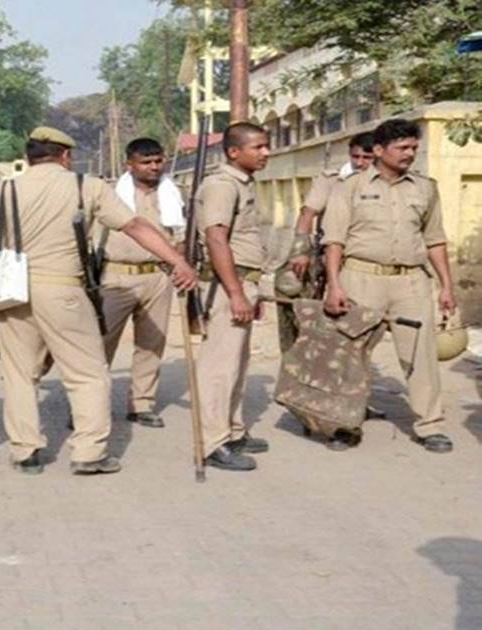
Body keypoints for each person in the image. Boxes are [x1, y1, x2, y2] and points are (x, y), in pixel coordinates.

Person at [0, 127, 197, 476]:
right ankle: (88, 452)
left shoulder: (4, 188)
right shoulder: (86, 186)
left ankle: (25, 451)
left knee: (20, 374)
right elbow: (134, 226)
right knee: (88, 373)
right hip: (64, 290)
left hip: (11, 292)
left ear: (29, 158)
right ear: (65, 156)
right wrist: (177, 261)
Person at [322, 118, 457, 454]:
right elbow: (334, 241)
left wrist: (446, 287)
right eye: (402, 148)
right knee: (352, 353)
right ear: (379, 150)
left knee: (420, 354)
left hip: (410, 280)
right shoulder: (348, 187)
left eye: (414, 147)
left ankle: (430, 425)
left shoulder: (425, 188)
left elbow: (435, 239)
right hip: (360, 277)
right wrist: (334, 285)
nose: (410, 154)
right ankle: (344, 423)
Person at [193, 122, 272, 472]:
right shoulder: (222, 185)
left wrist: (256, 292)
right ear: (233, 152)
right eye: (258, 147)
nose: (266, 153)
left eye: (266, 146)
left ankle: (232, 430)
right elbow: (216, 239)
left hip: (243, 281)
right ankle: (212, 443)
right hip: (228, 285)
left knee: (237, 363)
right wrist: (237, 293)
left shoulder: (243, 183)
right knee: (218, 368)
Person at [101, 137, 185, 429]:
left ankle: (141, 404)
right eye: (146, 162)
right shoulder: (109, 195)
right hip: (116, 277)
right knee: (101, 345)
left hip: (158, 276)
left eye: (158, 161)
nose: (153, 167)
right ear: (130, 164)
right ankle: (90, 407)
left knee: (151, 343)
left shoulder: (173, 193)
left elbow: (182, 234)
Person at [278, 131, 376, 352]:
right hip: (326, 252)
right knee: (296, 295)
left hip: (359, 257)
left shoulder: (381, 183)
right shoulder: (333, 179)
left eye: (366, 158)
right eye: (356, 156)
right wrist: (300, 251)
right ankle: (299, 353)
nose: (360, 162)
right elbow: (307, 214)